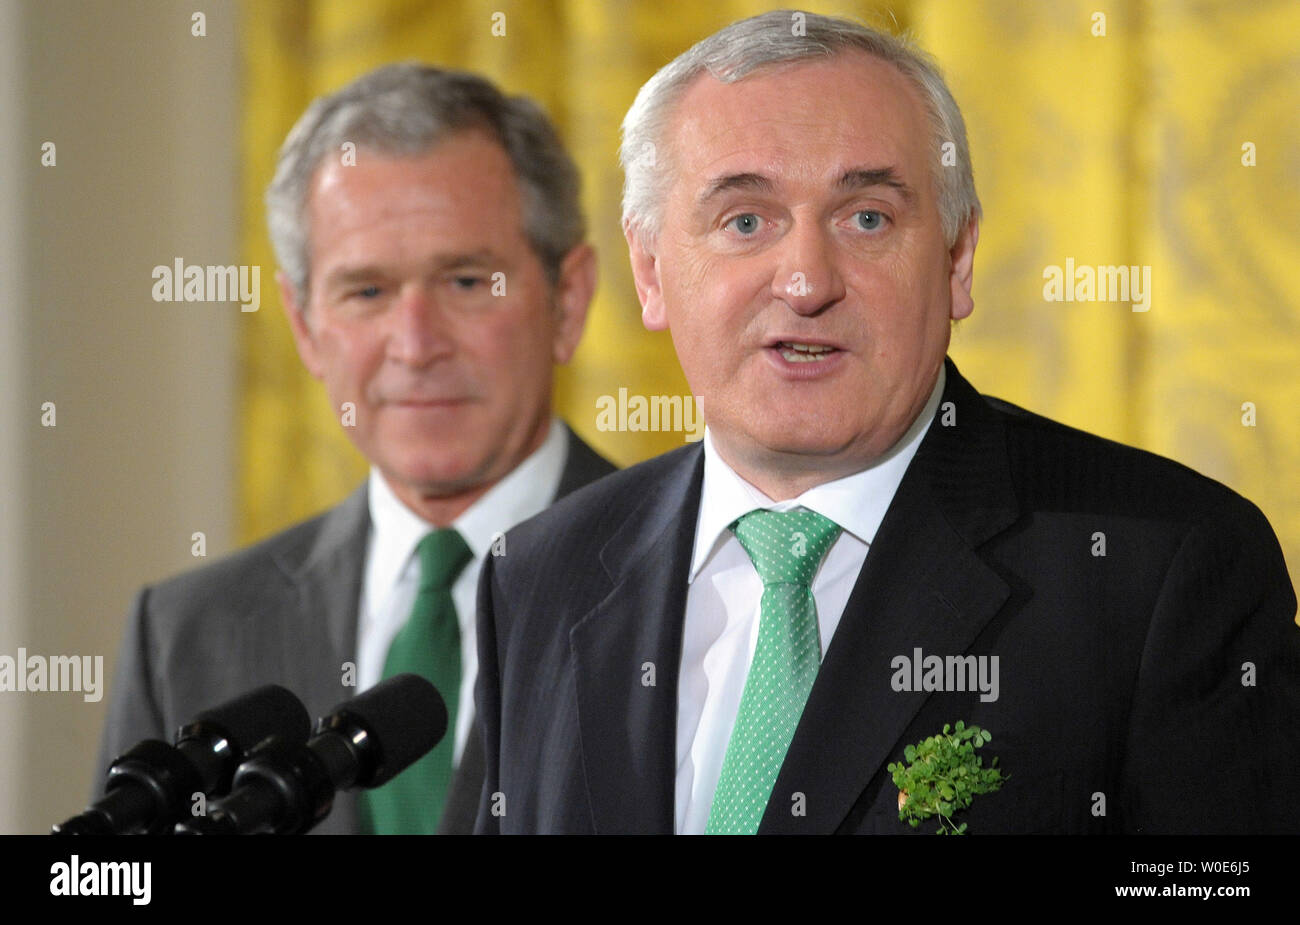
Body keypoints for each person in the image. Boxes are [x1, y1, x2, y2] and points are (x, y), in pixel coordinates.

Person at [474, 12, 1299, 834]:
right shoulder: (540, 576)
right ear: (650, 270)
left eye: (866, 217)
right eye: (745, 221)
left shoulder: (1163, 569)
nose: (805, 281)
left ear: (955, 259)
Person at [95, 63, 614, 834]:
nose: (415, 345)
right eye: (366, 292)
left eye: (467, 281)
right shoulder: (185, 632)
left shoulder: (694, 579)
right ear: (304, 326)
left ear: (567, 302)